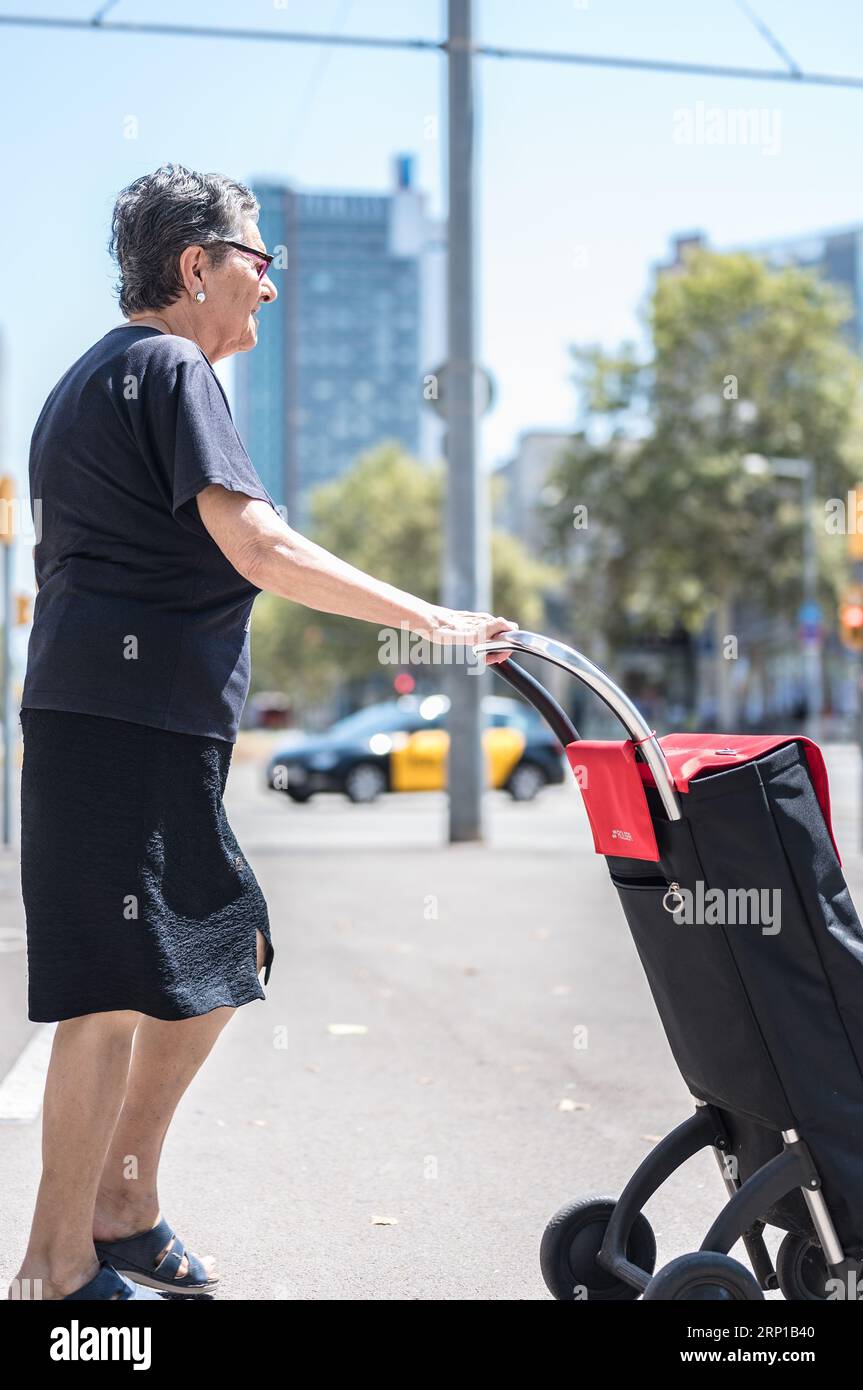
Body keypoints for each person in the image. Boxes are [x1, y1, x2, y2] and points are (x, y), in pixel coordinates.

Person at [10, 164, 517, 1302]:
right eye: (259, 261)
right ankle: (55, 1268)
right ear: (196, 267)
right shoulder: (168, 365)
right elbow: (262, 547)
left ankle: (124, 1205)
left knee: (221, 953)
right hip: (118, 723)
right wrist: (429, 618)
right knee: (101, 993)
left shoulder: (103, 379)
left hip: (135, 724)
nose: (270, 289)